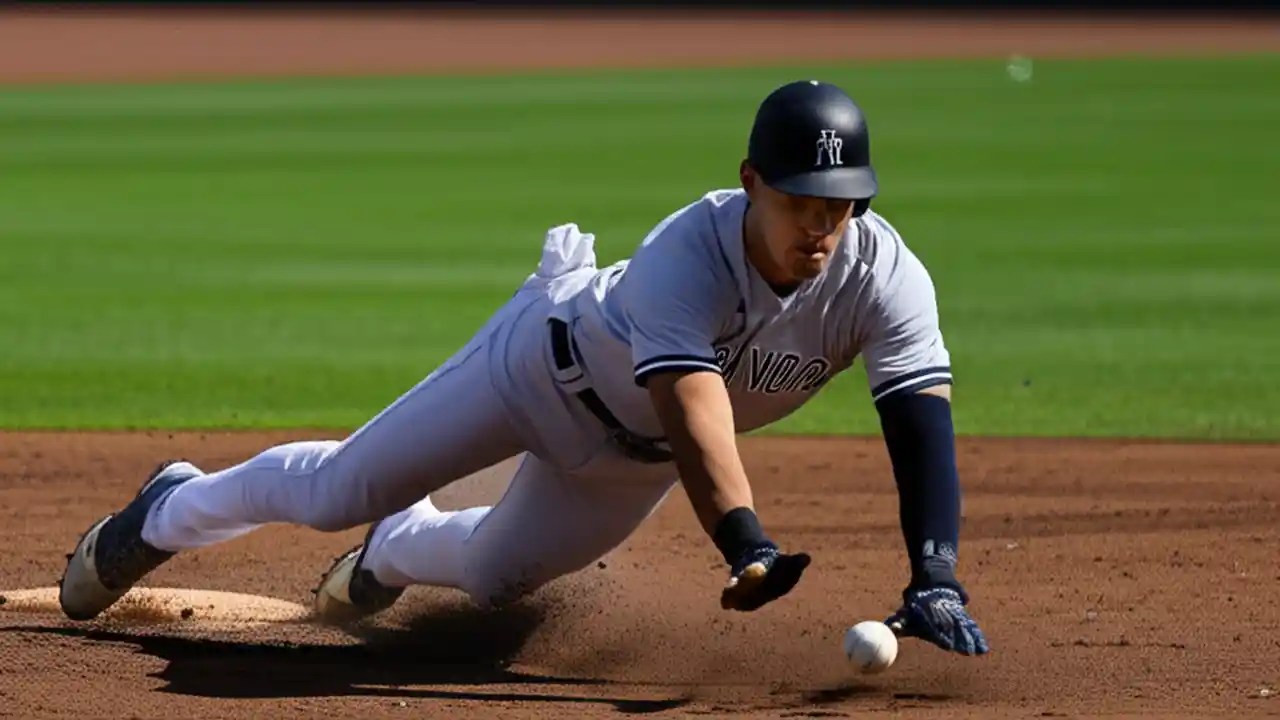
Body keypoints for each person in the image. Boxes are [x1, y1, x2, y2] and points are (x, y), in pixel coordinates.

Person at [59, 79, 989, 656]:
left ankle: (392, 551)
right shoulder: (688, 253)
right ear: (751, 183)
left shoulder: (885, 278)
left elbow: (920, 420)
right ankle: (168, 511)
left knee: (498, 580)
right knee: (337, 488)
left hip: (632, 462)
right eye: (801, 202)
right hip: (536, 371)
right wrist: (745, 540)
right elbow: (696, 405)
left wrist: (936, 572)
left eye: (844, 204)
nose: (824, 226)